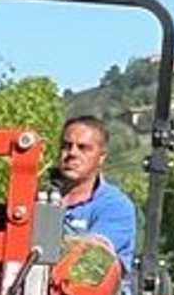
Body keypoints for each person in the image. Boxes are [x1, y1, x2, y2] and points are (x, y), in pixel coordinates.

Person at [53, 115, 137, 277]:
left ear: (101, 157)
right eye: (66, 146)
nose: (72, 153)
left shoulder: (116, 206)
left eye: (83, 148)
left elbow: (93, 259)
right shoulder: (38, 196)